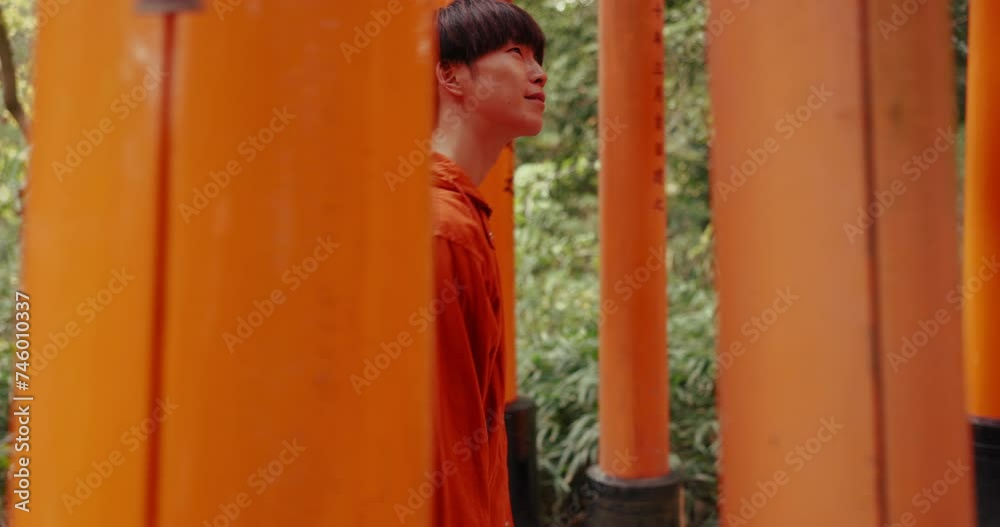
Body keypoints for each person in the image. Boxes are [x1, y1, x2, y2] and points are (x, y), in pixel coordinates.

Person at [429, 0, 547, 525]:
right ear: (451, 75)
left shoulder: (460, 216)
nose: (539, 73)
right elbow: (446, 442)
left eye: (538, 57)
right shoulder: (444, 229)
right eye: (516, 53)